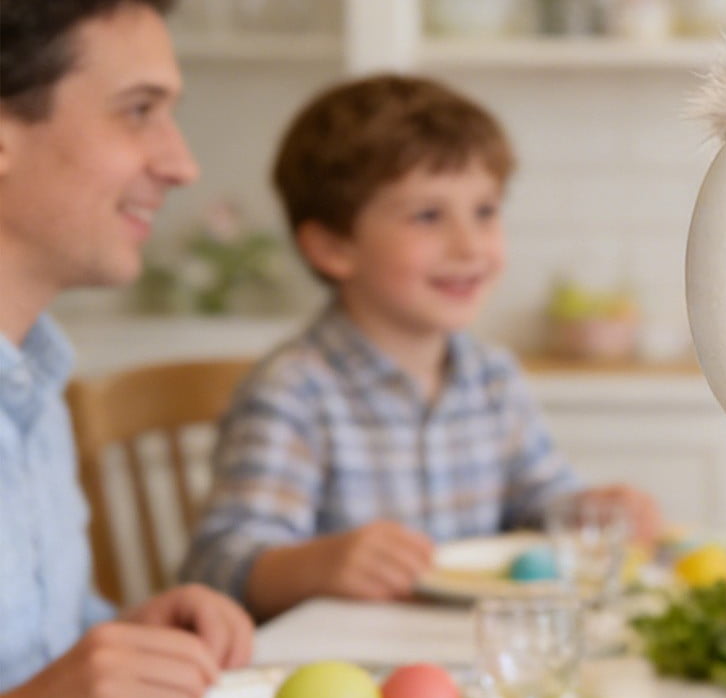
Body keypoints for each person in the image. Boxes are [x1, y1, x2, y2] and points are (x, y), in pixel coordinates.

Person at [181, 74, 661, 619]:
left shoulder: (490, 375)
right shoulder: (295, 391)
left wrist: (589, 511)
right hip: (344, 672)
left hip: (472, 655)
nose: (470, 244)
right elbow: (217, 565)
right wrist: (318, 565)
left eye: (484, 211)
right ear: (333, 247)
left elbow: (538, 504)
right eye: (428, 216)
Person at [0, 0, 254, 698]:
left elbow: (31, 654)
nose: (180, 163)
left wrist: (128, 645)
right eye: (138, 112)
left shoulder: (32, 371)